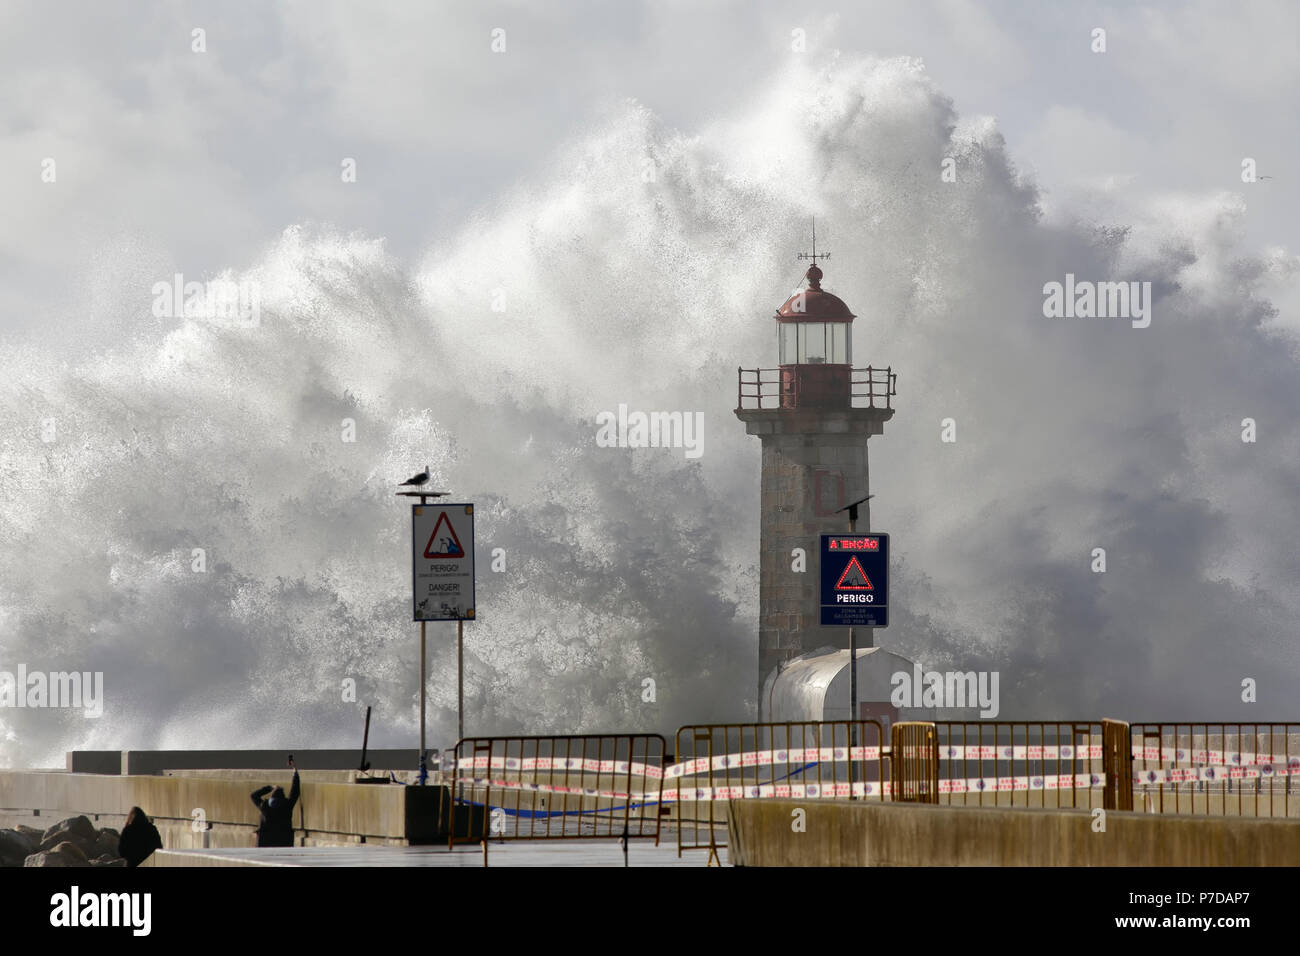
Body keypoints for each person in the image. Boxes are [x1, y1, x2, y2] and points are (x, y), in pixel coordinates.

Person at [250, 756, 301, 848]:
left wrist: (270, 788)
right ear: (283, 797)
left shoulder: (265, 807)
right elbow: (295, 792)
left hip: (265, 842)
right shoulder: (287, 806)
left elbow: (254, 795)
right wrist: (295, 772)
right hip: (284, 841)